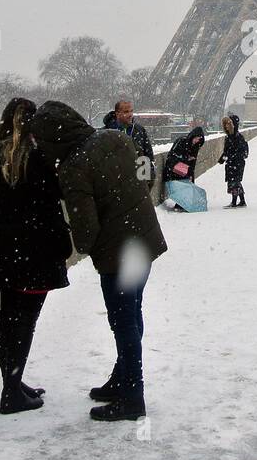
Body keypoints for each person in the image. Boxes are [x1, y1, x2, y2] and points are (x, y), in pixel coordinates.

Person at [31, 101, 168, 422]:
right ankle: (122, 379)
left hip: (117, 252)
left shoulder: (72, 167)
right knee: (133, 315)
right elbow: (145, 177)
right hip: (143, 240)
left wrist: (81, 240)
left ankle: (133, 397)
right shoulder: (116, 138)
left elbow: (85, 229)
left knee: (123, 323)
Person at [0, 98, 72, 415]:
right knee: (25, 322)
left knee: (7, 320)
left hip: (5, 252)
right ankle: (11, 394)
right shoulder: (39, 158)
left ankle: (12, 382)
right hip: (36, 252)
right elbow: (57, 194)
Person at [103, 100, 154, 188]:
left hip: (137, 183)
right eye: (126, 112)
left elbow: (147, 156)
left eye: (131, 111)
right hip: (114, 184)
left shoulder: (139, 130)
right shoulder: (105, 133)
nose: (130, 114)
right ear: (117, 114)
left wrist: (147, 183)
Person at [219, 113, 249, 208]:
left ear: (233, 124)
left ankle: (234, 202)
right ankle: (242, 201)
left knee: (234, 182)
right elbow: (227, 151)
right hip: (233, 162)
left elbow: (236, 151)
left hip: (236, 163)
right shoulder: (230, 136)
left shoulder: (236, 137)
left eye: (228, 124)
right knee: (236, 182)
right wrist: (222, 159)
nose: (226, 126)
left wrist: (229, 157)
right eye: (225, 125)